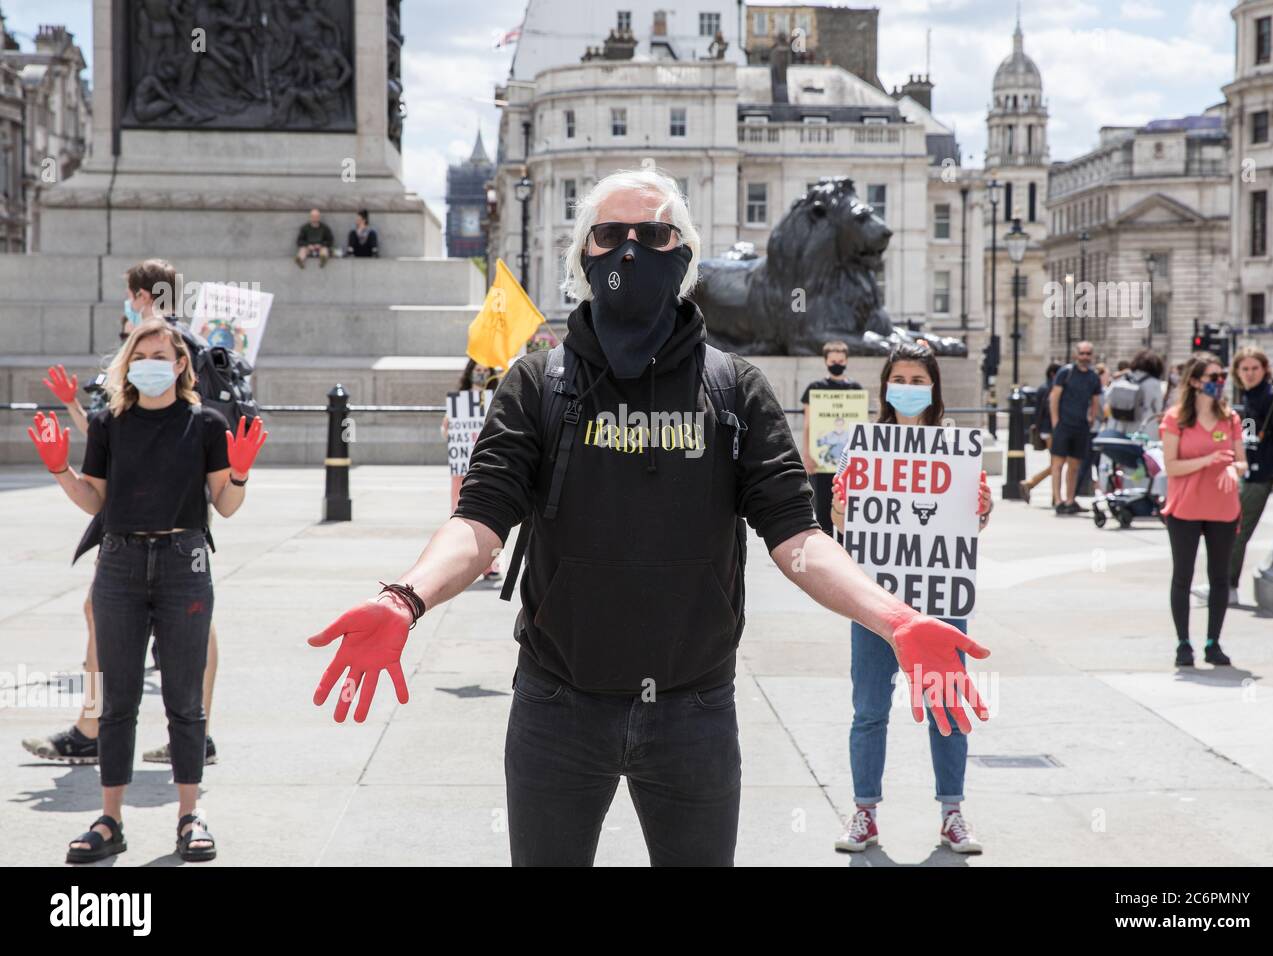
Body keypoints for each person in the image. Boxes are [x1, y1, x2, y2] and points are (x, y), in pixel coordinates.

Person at [305, 168, 988, 866]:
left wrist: (893, 617)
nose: (630, 251)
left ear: (684, 256)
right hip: (558, 705)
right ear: (584, 259)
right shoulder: (538, 382)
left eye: (653, 234)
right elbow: (479, 519)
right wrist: (405, 595)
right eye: (609, 235)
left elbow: (797, 537)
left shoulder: (733, 386)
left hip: (693, 711)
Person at [28, 319, 268, 863]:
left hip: (185, 563)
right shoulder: (109, 422)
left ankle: (189, 815)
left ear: (182, 365)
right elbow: (97, 502)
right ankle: (110, 819)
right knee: (119, 702)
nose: (151, 362)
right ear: (128, 364)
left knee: (185, 700)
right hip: (120, 564)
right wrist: (60, 470)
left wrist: (241, 475)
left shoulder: (205, 423)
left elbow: (224, 507)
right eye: (141, 354)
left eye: (163, 353)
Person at [23, 264, 223, 768]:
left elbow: (125, 432)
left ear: (140, 295)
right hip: (151, 503)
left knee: (162, 617)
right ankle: (171, 728)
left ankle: (104, 727)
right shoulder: (186, 339)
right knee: (131, 613)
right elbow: (112, 430)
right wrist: (73, 412)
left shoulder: (168, 343)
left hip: (160, 507)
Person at [828, 343, 993, 854]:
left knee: (945, 708)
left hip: (940, 600)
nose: (909, 387)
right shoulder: (864, 451)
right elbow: (842, 527)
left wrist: (982, 508)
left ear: (934, 388)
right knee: (870, 710)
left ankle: (952, 813)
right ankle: (864, 814)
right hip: (877, 605)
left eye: (919, 380)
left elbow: (973, 524)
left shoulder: (956, 450)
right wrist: (840, 506)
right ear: (885, 388)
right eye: (899, 378)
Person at [1160, 352, 1246, 668]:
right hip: (1185, 507)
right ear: (1195, 382)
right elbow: (1171, 466)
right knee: (1182, 575)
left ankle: (1213, 642)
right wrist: (1208, 461)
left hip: (1223, 507)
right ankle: (1183, 643)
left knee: (1219, 577)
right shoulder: (1175, 419)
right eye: (1213, 377)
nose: (1219, 382)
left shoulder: (1231, 418)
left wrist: (1233, 470)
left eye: (1221, 376)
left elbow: (1240, 460)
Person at [1224, 347, 1273, 603]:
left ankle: (1227, 586)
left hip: (1263, 473)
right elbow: (1249, 433)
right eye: (1245, 369)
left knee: (1237, 530)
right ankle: (1225, 584)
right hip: (1250, 470)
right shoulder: (1250, 396)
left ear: (1265, 369)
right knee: (1233, 528)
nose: (1250, 373)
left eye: (1255, 368)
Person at [441, 357, 502, 581]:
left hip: (485, 464)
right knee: (460, 514)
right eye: (477, 370)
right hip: (461, 469)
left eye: (485, 371)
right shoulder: (460, 401)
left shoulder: (498, 398)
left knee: (487, 514)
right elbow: (446, 432)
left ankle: (491, 563)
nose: (480, 374)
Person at [800, 341, 864, 535]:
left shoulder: (855, 389)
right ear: (826, 361)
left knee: (847, 511)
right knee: (822, 515)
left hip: (848, 464)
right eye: (833, 360)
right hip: (821, 463)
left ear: (846, 361)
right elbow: (808, 424)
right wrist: (807, 454)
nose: (837, 363)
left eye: (841, 360)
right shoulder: (815, 388)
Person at [1048, 341, 1102, 515]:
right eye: (1082, 353)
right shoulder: (1066, 372)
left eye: (1088, 354)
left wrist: (1092, 418)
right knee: (1057, 464)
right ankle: (1058, 500)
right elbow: (1054, 397)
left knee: (1074, 466)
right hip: (1064, 425)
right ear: (1076, 355)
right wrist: (1056, 421)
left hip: (1081, 426)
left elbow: (1095, 400)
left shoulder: (1093, 377)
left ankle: (1070, 499)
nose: (1085, 357)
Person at [1019, 362, 1061, 503]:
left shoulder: (1043, 387)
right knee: (1057, 464)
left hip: (1044, 429)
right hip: (1051, 429)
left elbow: (1037, 412)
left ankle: (1054, 496)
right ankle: (1030, 483)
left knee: (1056, 463)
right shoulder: (1053, 388)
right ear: (1053, 374)